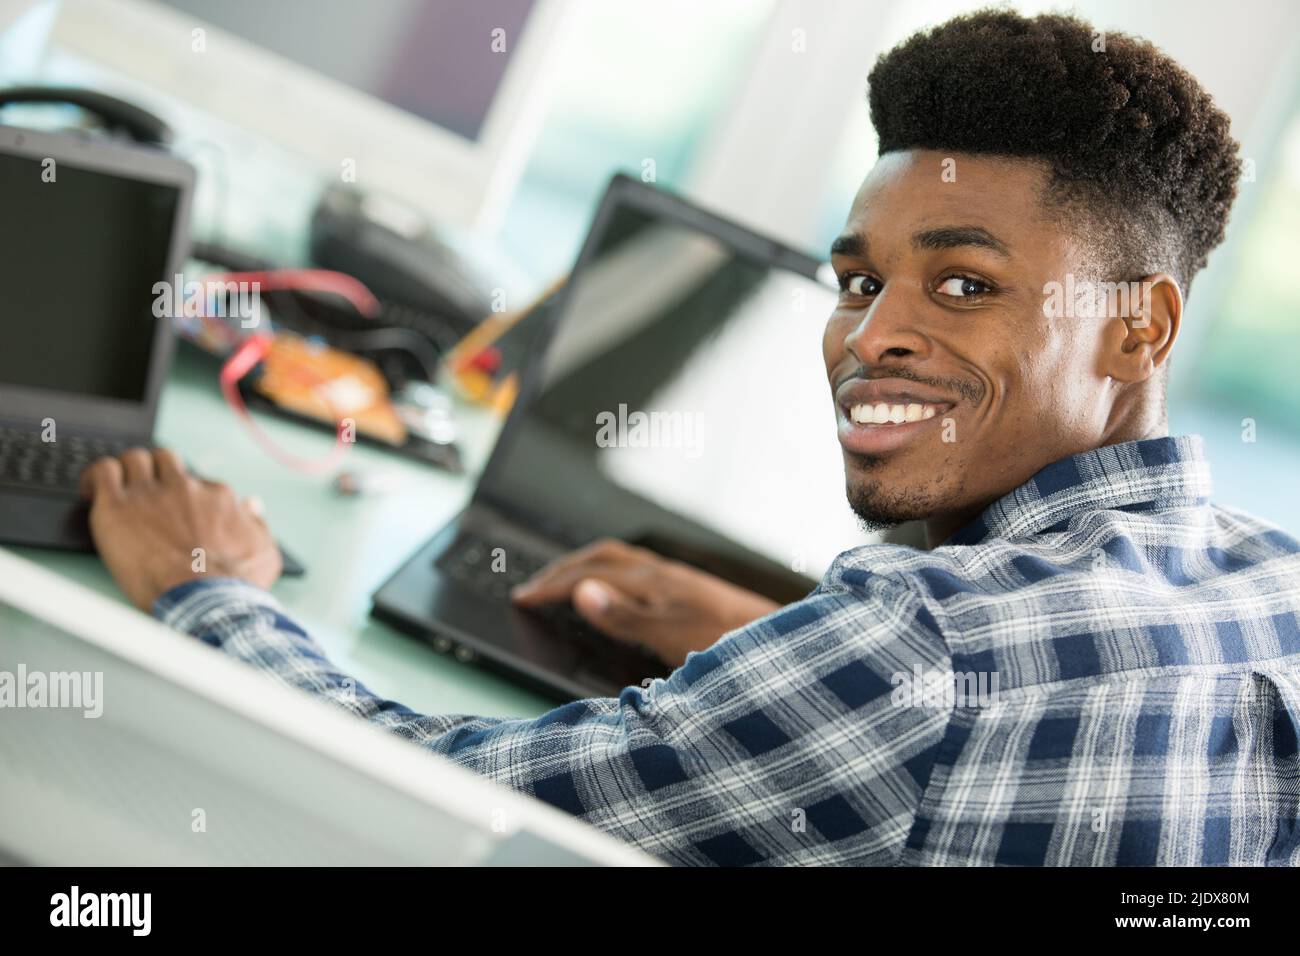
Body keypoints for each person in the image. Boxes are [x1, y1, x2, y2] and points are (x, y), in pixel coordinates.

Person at [80, 10, 1300, 866]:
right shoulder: (1271, 586)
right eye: (857, 278)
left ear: (1139, 331)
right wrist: (769, 641)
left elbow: (426, 795)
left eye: (966, 286)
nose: (874, 337)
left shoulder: (914, 655)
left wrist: (208, 589)